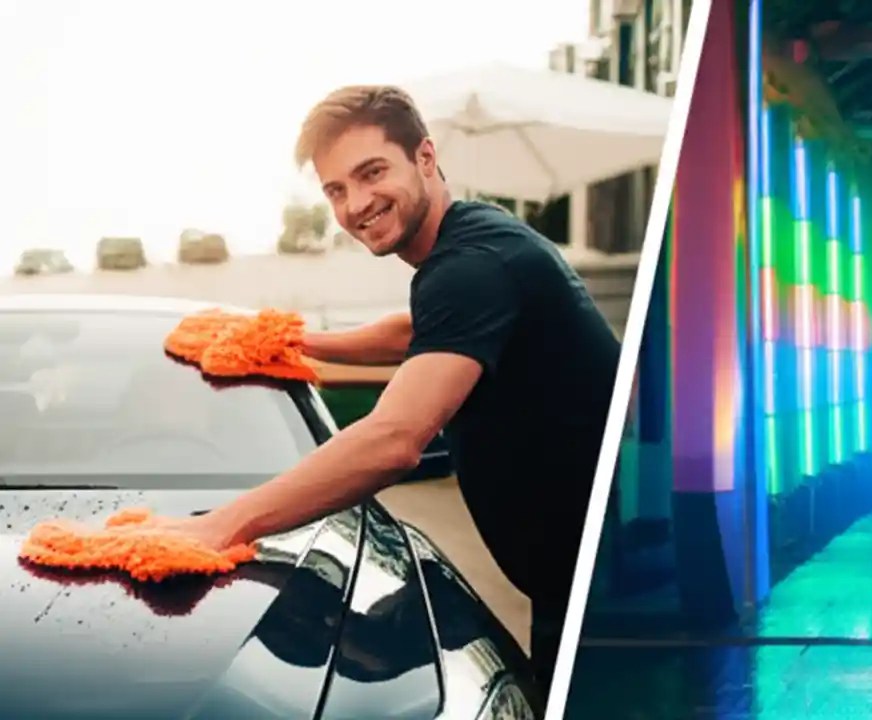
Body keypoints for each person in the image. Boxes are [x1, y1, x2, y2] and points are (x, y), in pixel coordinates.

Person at [159, 84, 621, 701]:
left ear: (425, 158)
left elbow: (394, 440)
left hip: (608, 597)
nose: (355, 205)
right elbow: (419, 330)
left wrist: (222, 525)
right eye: (335, 190)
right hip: (591, 576)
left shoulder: (469, 269)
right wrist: (303, 343)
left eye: (371, 172)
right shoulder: (478, 238)